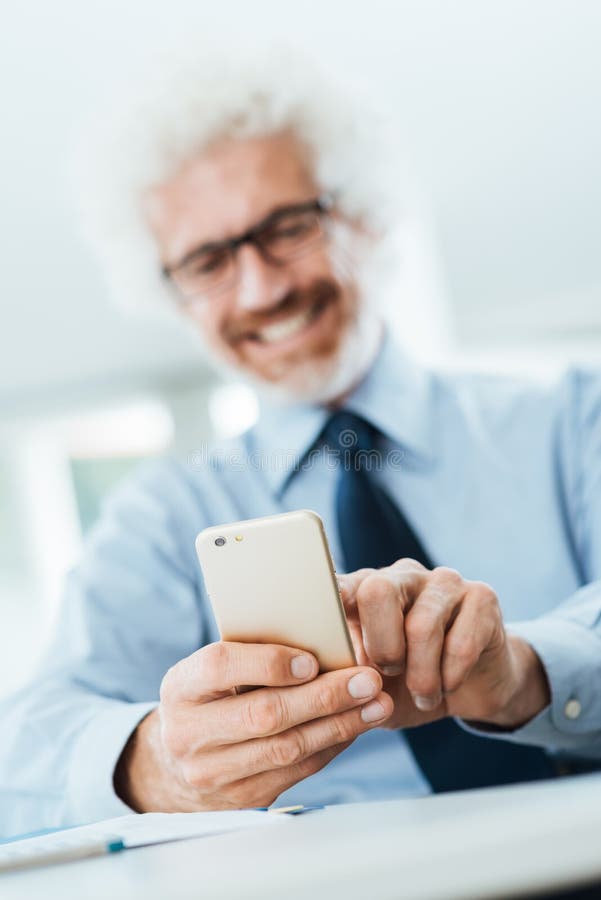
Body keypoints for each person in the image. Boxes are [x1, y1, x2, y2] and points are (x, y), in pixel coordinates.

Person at [2, 50, 601, 837]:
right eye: (207, 260)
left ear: (363, 216)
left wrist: (527, 672)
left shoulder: (571, 417)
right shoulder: (163, 516)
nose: (261, 289)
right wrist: (160, 765)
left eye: (286, 227)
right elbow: (22, 760)